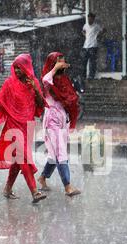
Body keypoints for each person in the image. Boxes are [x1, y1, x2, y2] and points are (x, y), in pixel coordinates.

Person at [0, 54, 47, 204]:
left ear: (26, 67)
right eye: (15, 67)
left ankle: (7, 189)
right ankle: (34, 192)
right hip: (13, 126)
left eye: (19, 67)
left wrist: (35, 89)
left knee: (17, 159)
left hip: (27, 126)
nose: (17, 70)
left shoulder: (33, 82)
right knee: (22, 157)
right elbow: (1, 104)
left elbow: (41, 105)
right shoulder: (9, 83)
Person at [37, 52, 81, 197]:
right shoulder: (48, 81)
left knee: (53, 155)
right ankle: (68, 186)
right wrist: (54, 69)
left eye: (63, 61)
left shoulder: (63, 80)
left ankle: (42, 177)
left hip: (63, 120)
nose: (62, 64)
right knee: (61, 153)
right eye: (58, 62)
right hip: (52, 121)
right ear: (52, 65)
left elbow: (71, 98)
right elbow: (45, 79)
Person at [81, 12, 105, 80]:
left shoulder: (96, 26)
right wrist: (85, 35)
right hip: (85, 46)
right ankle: (83, 77)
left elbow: (103, 30)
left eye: (91, 19)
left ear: (93, 19)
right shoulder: (85, 25)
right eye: (88, 19)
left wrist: (98, 35)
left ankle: (91, 76)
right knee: (84, 62)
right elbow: (83, 31)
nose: (89, 20)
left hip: (93, 46)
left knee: (92, 62)